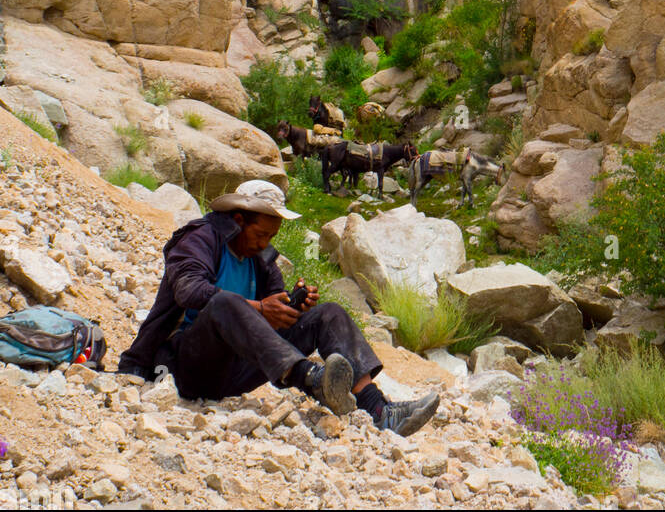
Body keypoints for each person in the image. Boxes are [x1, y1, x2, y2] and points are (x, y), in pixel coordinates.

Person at [118, 179, 440, 437]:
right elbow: (189, 290)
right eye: (261, 234)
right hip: (184, 368)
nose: (265, 243)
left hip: (234, 372)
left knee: (328, 313)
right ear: (238, 220)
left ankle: (379, 411)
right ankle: (312, 379)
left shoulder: (262, 259)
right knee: (224, 302)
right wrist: (259, 307)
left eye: (271, 236)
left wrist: (293, 304)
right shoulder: (199, 239)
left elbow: (272, 316)